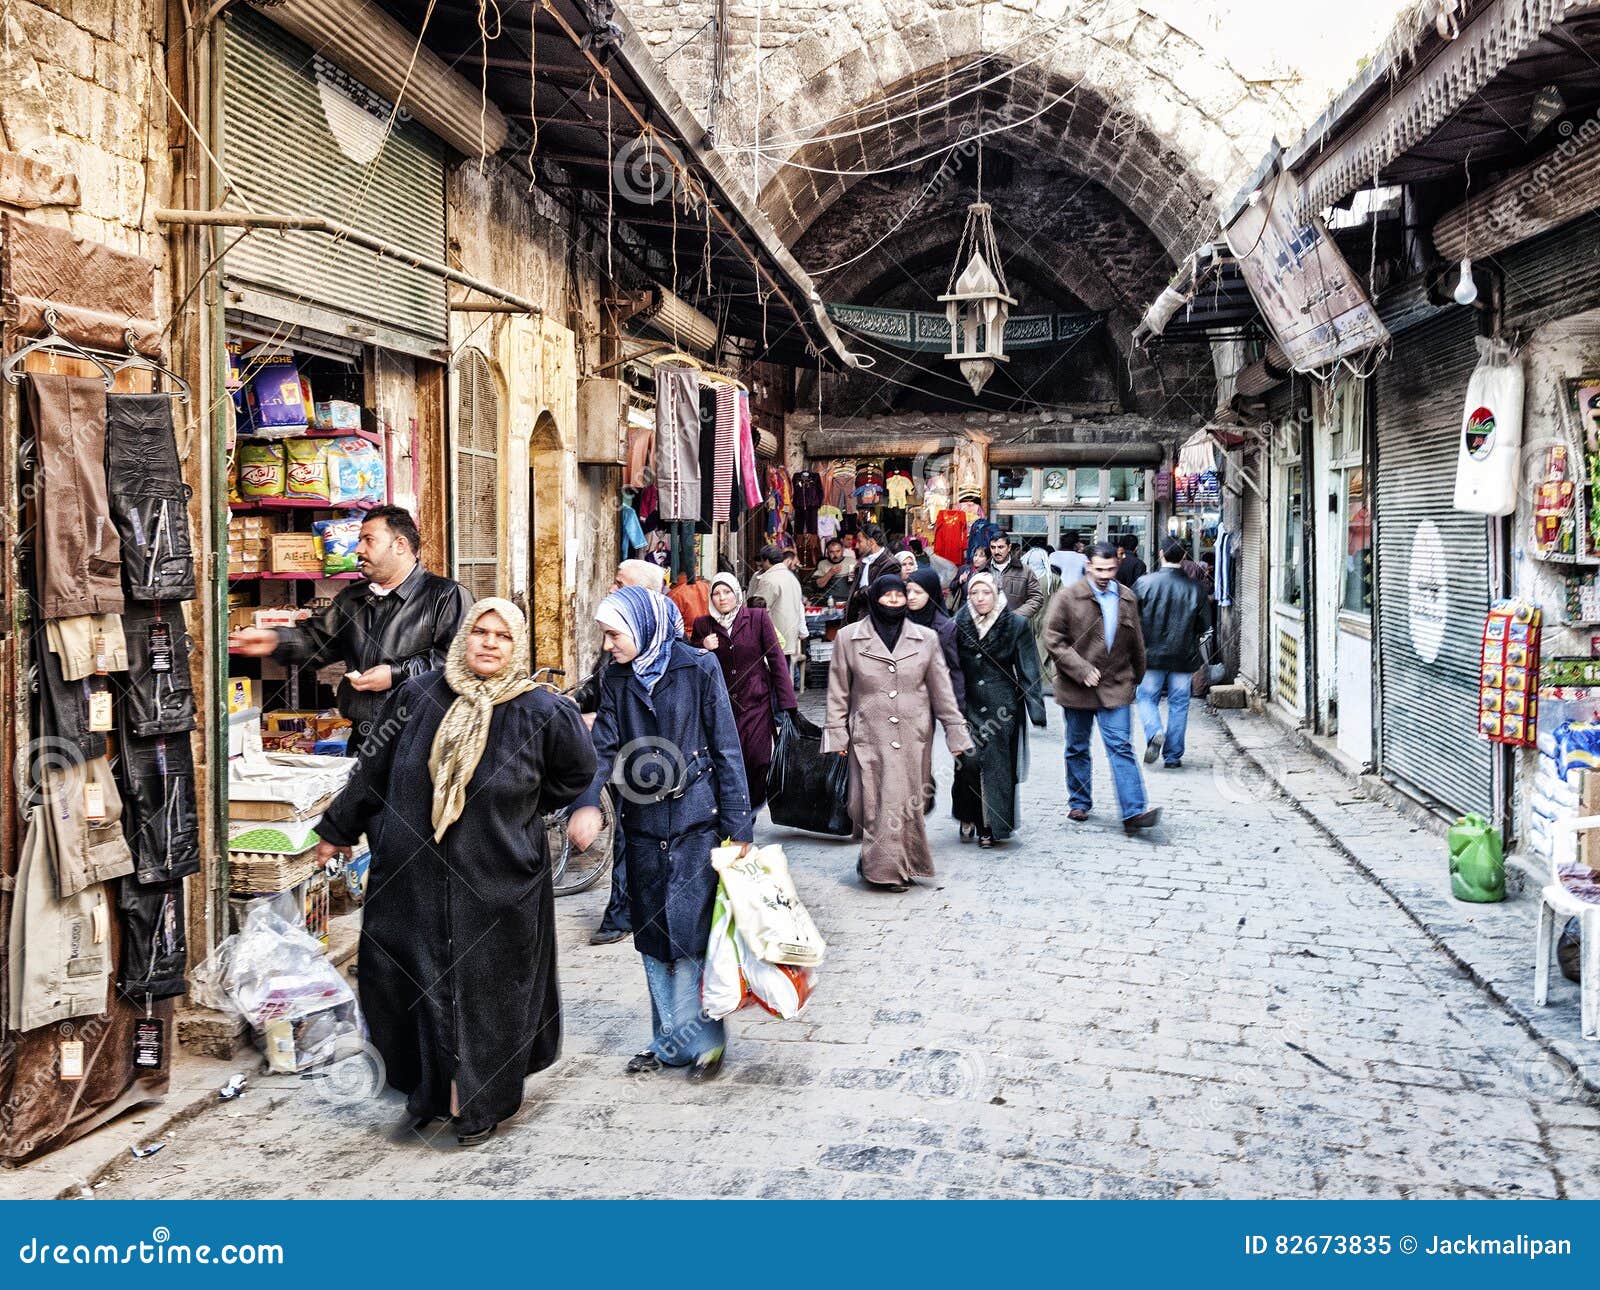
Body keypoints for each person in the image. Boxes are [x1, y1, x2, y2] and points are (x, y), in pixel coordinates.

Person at [311, 599, 596, 1146]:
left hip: (499, 878)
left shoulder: (541, 710)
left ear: (517, 646)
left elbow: (575, 773)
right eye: (480, 633)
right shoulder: (417, 697)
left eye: (502, 637)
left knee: (487, 991)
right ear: (465, 637)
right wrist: (336, 831)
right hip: (411, 874)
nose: (489, 643)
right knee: (411, 982)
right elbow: (371, 772)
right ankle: (428, 1095)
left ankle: (477, 1103)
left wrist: (516, 815)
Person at [567, 588, 753, 1083]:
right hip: (644, 828)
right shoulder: (616, 679)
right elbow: (602, 747)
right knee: (653, 937)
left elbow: (726, 748)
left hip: (697, 824)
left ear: (644, 627)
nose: (607, 645)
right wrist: (586, 804)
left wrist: (739, 830)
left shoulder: (698, 668)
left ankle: (706, 1044)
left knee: (693, 939)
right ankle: (667, 1043)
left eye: (614, 633)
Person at [228, 505, 469, 757]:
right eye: (359, 540)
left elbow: (458, 663)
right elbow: (316, 641)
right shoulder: (353, 598)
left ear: (400, 545)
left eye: (369, 540)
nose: (358, 549)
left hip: (422, 742)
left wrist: (396, 674)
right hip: (363, 741)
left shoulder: (446, 596)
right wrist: (275, 640)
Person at [823, 573, 973, 890]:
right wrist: (837, 733)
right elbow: (838, 691)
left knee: (907, 801)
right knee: (874, 802)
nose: (893, 601)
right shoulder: (849, 638)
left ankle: (898, 862)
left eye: (899, 596)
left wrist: (956, 733)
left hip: (914, 735)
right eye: (887, 596)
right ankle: (884, 869)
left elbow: (942, 691)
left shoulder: (926, 639)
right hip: (868, 732)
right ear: (875, 598)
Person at [581, 559, 670, 948]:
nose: (613, 590)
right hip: (627, 764)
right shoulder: (616, 652)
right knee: (628, 836)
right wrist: (585, 803)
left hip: (670, 771)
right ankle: (622, 912)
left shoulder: (688, 662)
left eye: (621, 584)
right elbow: (597, 692)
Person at [1042, 541, 1161, 834]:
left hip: (1116, 684)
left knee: (1121, 747)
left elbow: (1137, 643)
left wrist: (1136, 678)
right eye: (1099, 569)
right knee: (1077, 746)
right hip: (1077, 686)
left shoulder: (1127, 598)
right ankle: (1080, 800)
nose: (1105, 574)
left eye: (1110, 569)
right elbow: (1053, 638)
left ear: (1117, 566)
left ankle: (1134, 812)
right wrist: (1080, 669)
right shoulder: (1068, 598)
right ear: (1088, 566)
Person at [952, 572, 1047, 847]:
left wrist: (1036, 710)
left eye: (986, 593)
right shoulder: (958, 622)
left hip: (1002, 705)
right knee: (967, 762)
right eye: (974, 593)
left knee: (997, 766)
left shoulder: (1015, 624)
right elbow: (948, 665)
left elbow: (1029, 668)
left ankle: (992, 827)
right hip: (967, 702)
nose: (980, 598)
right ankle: (967, 813)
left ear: (996, 594)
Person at [690, 572, 798, 809]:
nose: (722, 598)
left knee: (759, 759)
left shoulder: (757, 618)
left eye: (727, 592)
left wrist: (788, 703)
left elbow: (776, 659)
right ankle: (737, 808)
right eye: (717, 593)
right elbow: (690, 663)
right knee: (730, 759)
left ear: (737, 593)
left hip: (756, 702)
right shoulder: (703, 624)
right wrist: (701, 646)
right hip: (721, 705)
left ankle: (752, 806)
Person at [1134, 539, 1209, 770]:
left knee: (1146, 698)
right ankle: (1173, 756)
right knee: (1179, 704)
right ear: (1184, 556)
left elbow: (1132, 620)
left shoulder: (1144, 583)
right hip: (1183, 656)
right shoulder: (1196, 587)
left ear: (1161, 553)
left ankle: (1155, 731)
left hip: (1151, 654)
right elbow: (1204, 624)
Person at [905, 566, 964, 710]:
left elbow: (954, 669)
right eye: (908, 591)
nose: (911, 596)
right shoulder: (899, 620)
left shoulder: (945, 629)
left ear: (931, 594)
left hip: (927, 703)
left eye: (918, 592)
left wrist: (958, 712)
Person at [750, 544, 807, 684]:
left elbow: (757, 608)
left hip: (774, 634)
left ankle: (780, 703)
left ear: (767, 561)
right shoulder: (791, 577)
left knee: (775, 676)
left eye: (762, 562)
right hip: (788, 635)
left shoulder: (769, 579)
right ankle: (785, 702)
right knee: (783, 673)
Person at [988, 532, 1044, 621]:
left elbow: (1036, 598)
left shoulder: (1025, 571)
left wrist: (1015, 616)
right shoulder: (983, 570)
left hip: (1015, 628)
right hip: (988, 627)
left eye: (1000, 547)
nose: (996, 552)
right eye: (993, 547)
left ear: (1009, 547)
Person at [845, 524, 890, 622]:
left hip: (876, 622)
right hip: (858, 621)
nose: (856, 546)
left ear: (871, 542)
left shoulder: (890, 564)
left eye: (859, 542)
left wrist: (857, 594)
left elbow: (877, 591)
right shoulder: (863, 563)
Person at [949, 545, 990, 612]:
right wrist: (959, 581)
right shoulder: (964, 569)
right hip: (962, 609)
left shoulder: (989, 574)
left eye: (981, 556)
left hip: (979, 610)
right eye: (975, 555)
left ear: (987, 559)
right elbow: (951, 587)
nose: (976, 559)